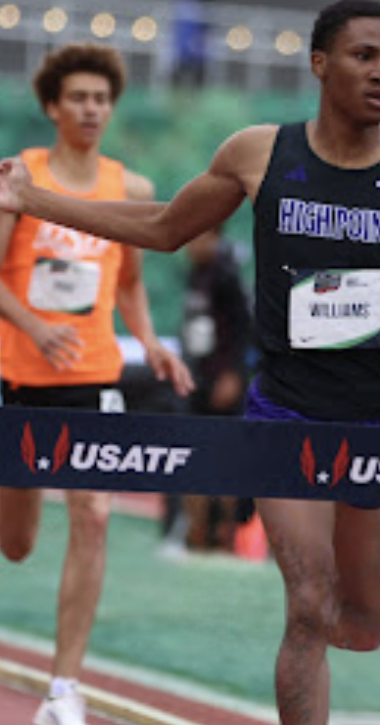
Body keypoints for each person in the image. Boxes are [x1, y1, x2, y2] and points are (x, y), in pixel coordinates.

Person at [0, 0, 380, 725]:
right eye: (365, 56)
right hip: (284, 415)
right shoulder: (260, 154)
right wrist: (33, 199)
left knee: (363, 624)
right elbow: (165, 227)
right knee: (308, 606)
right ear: (320, 64)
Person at [0, 42, 194, 725]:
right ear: (52, 106)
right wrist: (35, 329)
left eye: (102, 99)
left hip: (94, 373)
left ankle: (64, 687)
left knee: (93, 515)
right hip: (25, 374)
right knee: (16, 542)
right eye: (79, 98)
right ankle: (60, 678)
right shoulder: (22, 176)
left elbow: (127, 282)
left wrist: (150, 342)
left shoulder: (128, 189)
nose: (92, 109)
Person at [171, 222, 252, 553]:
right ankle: (197, 530)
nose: (190, 244)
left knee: (226, 453)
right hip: (197, 375)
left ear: (215, 238)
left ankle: (227, 532)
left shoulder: (226, 275)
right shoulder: (196, 274)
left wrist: (232, 374)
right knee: (194, 452)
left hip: (223, 378)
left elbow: (244, 328)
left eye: (198, 236)